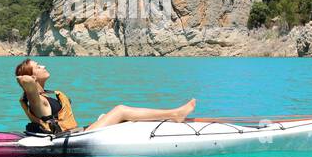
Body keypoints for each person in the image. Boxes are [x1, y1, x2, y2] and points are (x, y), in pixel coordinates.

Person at [14, 58, 195, 135]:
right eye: (38, 66)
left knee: (106, 117)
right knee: (121, 110)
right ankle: (174, 114)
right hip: (70, 138)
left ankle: (166, 119)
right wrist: (25, 80)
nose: (43, 66)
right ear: (33, 76)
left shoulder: (48, 94)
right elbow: (30, 89)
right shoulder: (39, 101)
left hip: (78, 132)